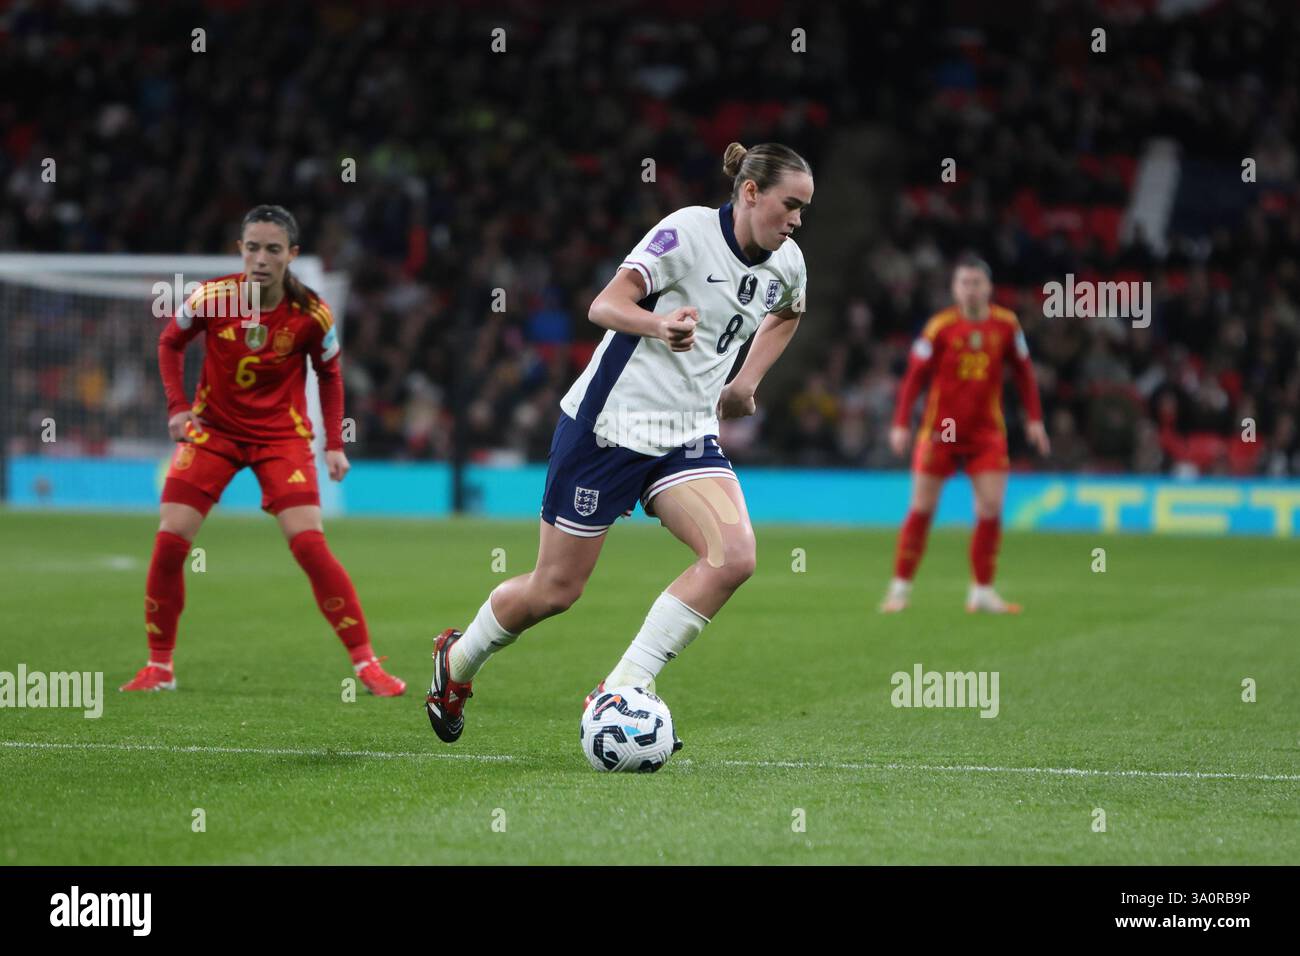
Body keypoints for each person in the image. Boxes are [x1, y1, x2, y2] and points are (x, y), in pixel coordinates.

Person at [425, 142, 813, 744]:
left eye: (804, 211)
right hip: (609, 429)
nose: (795, 221)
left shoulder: (788, 262)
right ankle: (456, 662)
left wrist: (747, 381)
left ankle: (624, 687)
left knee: (733, 557)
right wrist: (658, 324)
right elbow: (605, 305)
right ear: (751, 192)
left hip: (684, 437)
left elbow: (787, 313)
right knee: (555, 590)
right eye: (790, 205)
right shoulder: (686, 232)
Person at [121, 205, 405, 695]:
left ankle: (366, 665)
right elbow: (170, 344)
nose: (261, 258)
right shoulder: (210, 298)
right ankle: (159, 667)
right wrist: (177, 407)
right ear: (240, 250)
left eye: (273, 249)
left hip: (281, 438)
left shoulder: (311, 313)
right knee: (170, 542)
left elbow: (329, 375)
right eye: (252, 247)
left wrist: (334, 444)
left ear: (291, 255)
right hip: (213, 432)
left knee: (311, 547)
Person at [882, 254, 1050, 613]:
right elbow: (914, 378)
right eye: (964, 283)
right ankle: (900, 588)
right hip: (941, 430)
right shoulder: (939, 327)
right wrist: (900, 423)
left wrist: (1035, 419)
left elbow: (1024, 372)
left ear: (989, 287)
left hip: (986, 431)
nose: (971, 290)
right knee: (923, 508)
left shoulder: (1007, 325)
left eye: (977, 283)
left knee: (990, 509)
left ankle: (982, 591)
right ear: (955, 288)